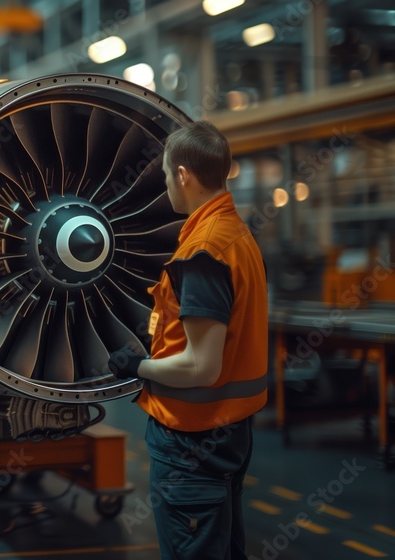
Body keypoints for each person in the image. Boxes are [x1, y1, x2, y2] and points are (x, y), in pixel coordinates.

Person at [108, 121, 268, 559]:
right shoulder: (236, 235)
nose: (166, 186)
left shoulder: (203, 253)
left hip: (192, 439)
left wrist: (136, 366)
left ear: (183, 174)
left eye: (164, 176)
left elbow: (202, 367)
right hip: (229, 429)